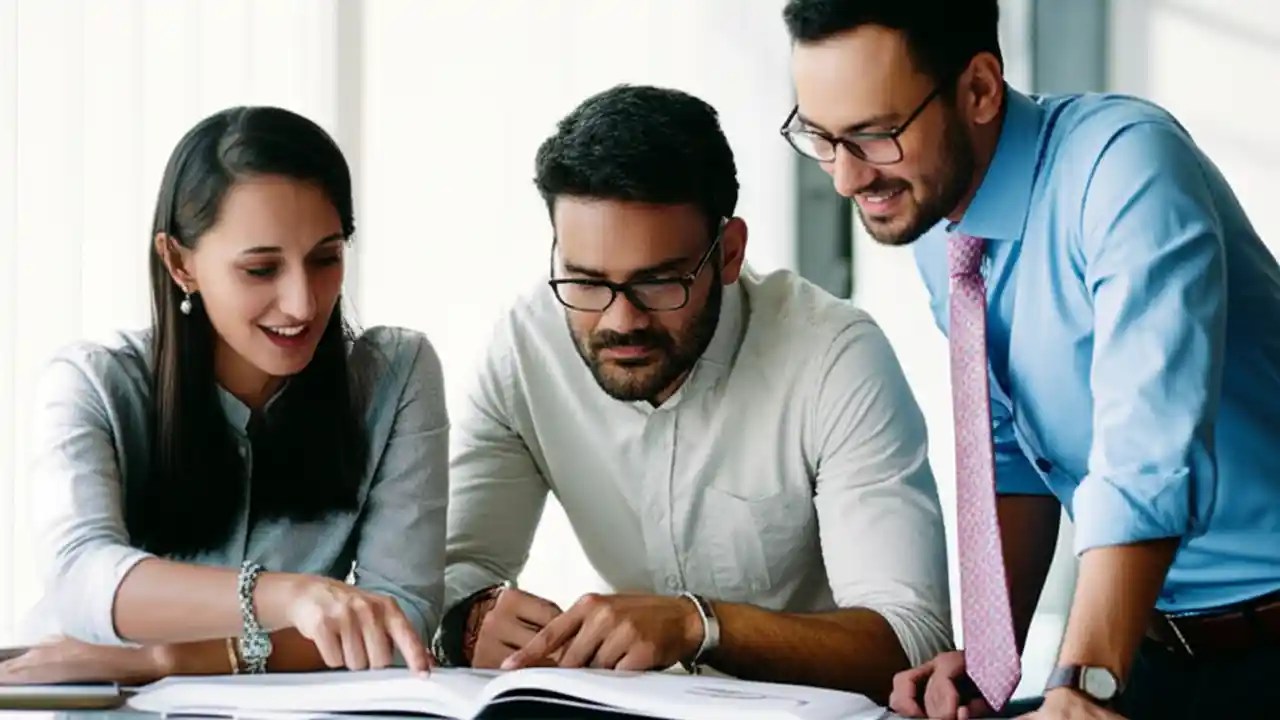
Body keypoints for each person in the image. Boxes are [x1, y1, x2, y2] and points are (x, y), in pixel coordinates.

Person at [780, 1, 1280, 719]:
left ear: (979, 88)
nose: (846, 179)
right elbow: (1013, 453)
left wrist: (1082, 683)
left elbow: (1146, 455)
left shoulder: (1126, 165)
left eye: (875, 135)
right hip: (1149, 645)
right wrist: (989, 666)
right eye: (821, 138)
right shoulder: (939, 223)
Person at [431, 84, 951, 703]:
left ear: (728, 254)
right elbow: (444, 577)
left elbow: (912, 639)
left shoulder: (834, 357)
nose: (620, 320)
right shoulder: (526, 346)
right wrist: (469, 619)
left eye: (658, 283)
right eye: (586, 280)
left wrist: (697, 624)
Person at [0, 106, 447, 685]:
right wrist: (289, 598)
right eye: (261, 269)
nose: (303, 304)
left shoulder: (397, 375)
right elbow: (83, 575)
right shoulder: (92, 383)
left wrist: (164, 661)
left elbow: (400, 621)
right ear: (179, 261)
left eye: (325, 259)